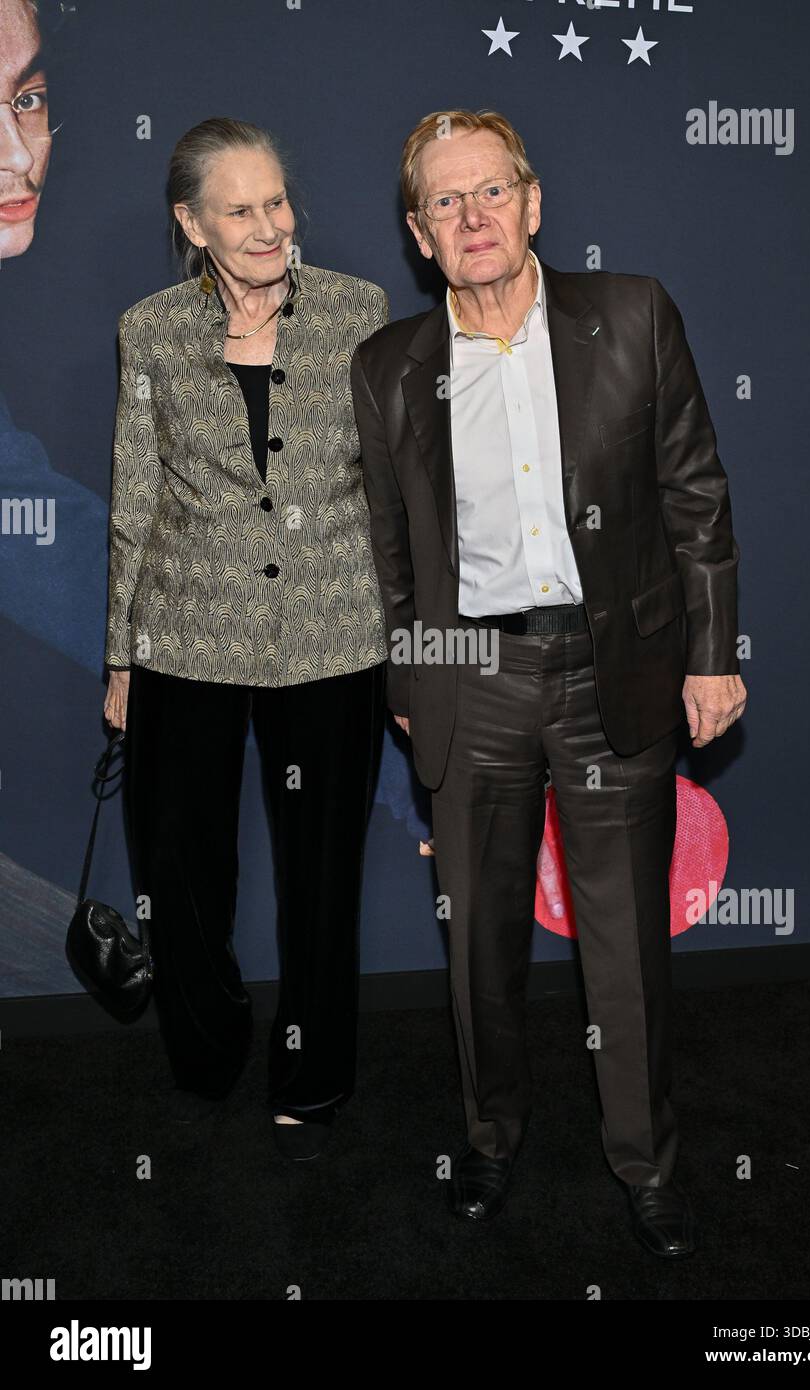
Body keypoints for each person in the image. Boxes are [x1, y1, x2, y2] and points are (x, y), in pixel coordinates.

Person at [351, 108, 746, 1255]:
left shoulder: (631, 316)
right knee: (476, 941)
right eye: (444, 201)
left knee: (625, 942)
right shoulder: (386, 370)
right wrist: (415, 688)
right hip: (469, 676)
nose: (470, 217)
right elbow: (388, 554)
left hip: (609, 666)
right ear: (420, 234)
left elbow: (694, 498)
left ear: (531, 204)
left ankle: (648, 1162)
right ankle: (487, 1135)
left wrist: (710, 654)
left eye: (489, 192)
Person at [103, 118, 389, 1161]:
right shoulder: (149, 329)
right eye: (239, 209)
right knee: (181, 877)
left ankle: (312, 1079)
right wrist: (120, 656)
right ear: (191, 223)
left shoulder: (359, 312)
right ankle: (206, 1048)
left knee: (322, 876)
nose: (268, 225)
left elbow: (393, 494)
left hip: (329, 637)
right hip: (185, 636)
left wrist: (405, 641)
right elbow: (135, 497)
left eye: (276, 201)